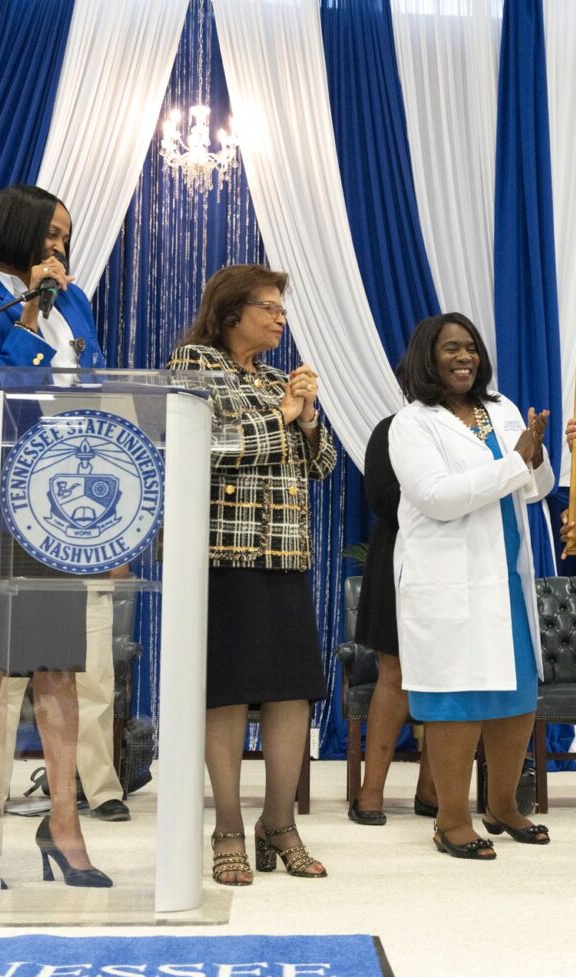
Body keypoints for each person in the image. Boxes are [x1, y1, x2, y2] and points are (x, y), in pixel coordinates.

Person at [0, 183, 114, 886]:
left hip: (57, 503)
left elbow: (93, 390)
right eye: (50, 233)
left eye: (66, 235)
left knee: (57, 665)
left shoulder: (79, 303)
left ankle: (63, 823)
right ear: (17, 231)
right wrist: (31, 311)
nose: (60, 247)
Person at [168, 263, 337, 884]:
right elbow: (202, 448)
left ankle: (281, 822)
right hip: (222, 555)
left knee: (291, 690)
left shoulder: (274, 380)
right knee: (229, 692)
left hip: (286, 553)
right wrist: (283, 418)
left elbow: (321, 466)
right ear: (230, 311)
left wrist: (310, 415)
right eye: (268, 307)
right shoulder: (191, 367)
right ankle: (229, 830)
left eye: (281, 310)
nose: (279, 319)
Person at [389, 312, 553, 860]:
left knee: (516, 696)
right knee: (455, 698)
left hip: (505, 575)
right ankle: (451, 818)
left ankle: (503, 805)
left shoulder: (501, 409)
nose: (464, 358)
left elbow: (534, 488)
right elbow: (436, 497)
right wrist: (515, 462)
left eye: (471, 348)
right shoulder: (412, 423)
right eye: (451, 349)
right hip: (449, 580)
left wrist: (540, 452)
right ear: (427, 358)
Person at [349, 413, 438, 825]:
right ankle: (371, 792)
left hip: (458, 561)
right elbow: (383, 498)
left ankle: (433, 790)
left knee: (447, 676)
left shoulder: (471, 431)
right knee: (395, 671)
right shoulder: (391, 428)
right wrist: (442, 493)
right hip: (399, 557)